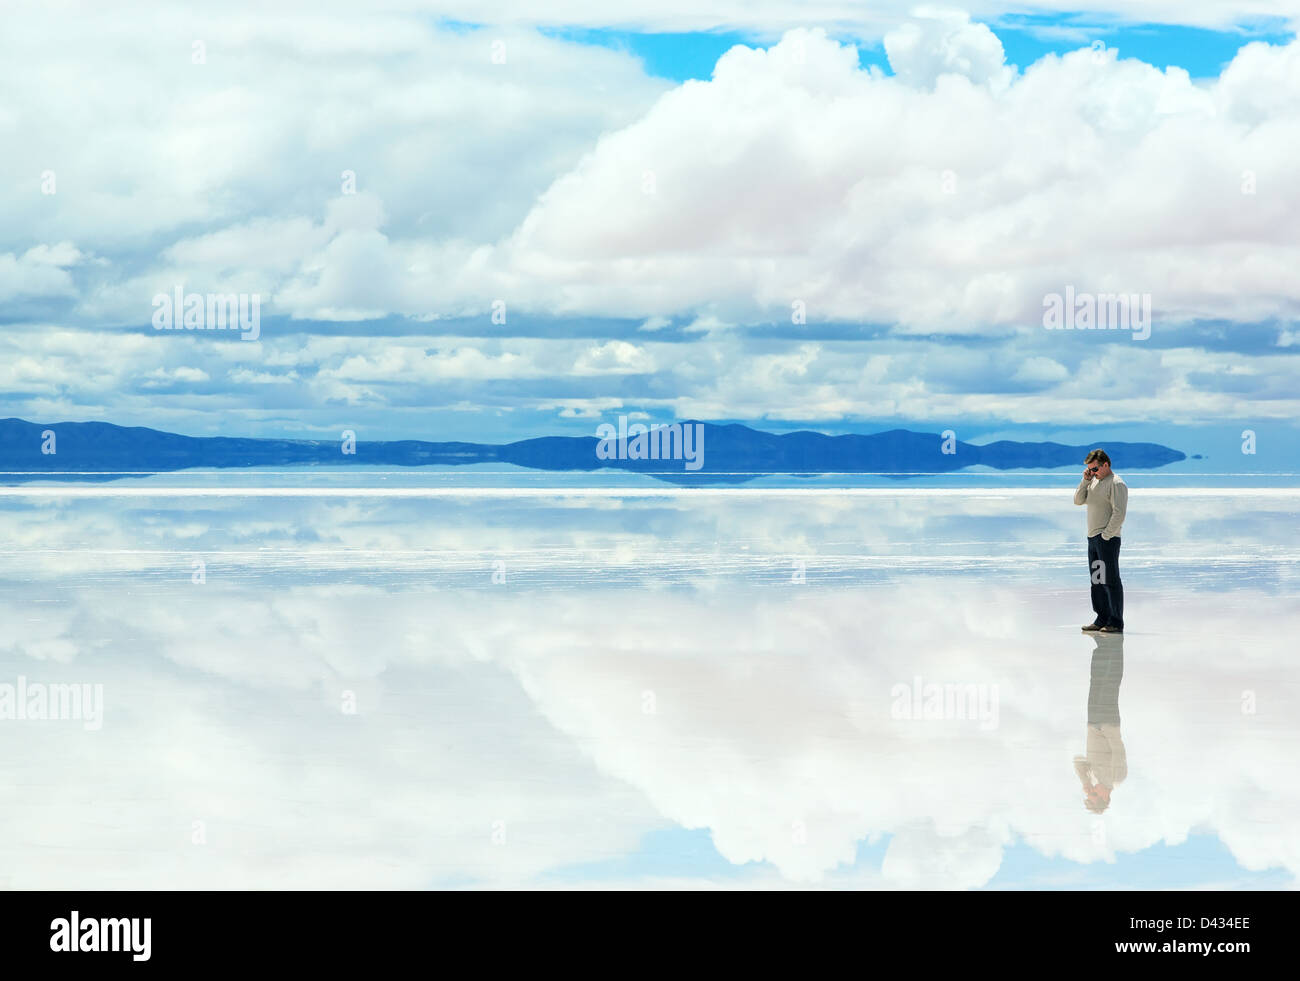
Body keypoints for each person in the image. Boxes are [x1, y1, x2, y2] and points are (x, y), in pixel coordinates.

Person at [1073, 449, 1126, 634]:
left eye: (1094, 469)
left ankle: (1115, 621)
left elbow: (1119, 513)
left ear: (1106, 464)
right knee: (1097, 580)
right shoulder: (1093, 482)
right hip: (1092, 539)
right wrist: (1085, 480)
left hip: (1107, 540)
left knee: (1110, 580)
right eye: (1090, 469)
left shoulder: (1116, 483)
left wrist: (1106, 535)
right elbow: (1078, 500)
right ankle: (1101, 617)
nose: (1093, 472)